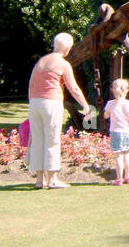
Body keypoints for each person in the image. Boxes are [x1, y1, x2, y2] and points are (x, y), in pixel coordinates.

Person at [27, 33, 92, 190]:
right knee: (52, 141)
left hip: (34, 103)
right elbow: (74, 88)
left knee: (37, 141)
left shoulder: (41, 61)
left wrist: (33, 103)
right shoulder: (63, 64)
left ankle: (39, 180)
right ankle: (52, 179)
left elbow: (31, 84)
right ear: (68, 48)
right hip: (51, 103)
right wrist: (85, 105)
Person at [103, 78, 129, 185]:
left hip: (116, 132)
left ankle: (119, 179)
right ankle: (127, 177)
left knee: (119, 156)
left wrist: (108, 111)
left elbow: (105, 116)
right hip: (128, 132)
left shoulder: (110, 104)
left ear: (113, 90)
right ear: (127, 90)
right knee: (127, 155)